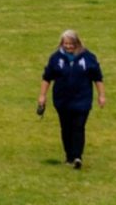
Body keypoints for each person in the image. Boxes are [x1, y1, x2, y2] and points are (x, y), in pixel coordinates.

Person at [38, 29, 105, 169]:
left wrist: (101, 95)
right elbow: (47, 78)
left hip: (82, 100)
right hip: (62, 101)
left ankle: (77, 157)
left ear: (77, 43)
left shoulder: (88, 58)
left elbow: (97, 78)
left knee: (79, 127)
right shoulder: (56, 58)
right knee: (66, 128)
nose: (68, 46)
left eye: (71, 43)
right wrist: (42, 96)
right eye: (65, 43)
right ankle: (69, 156)